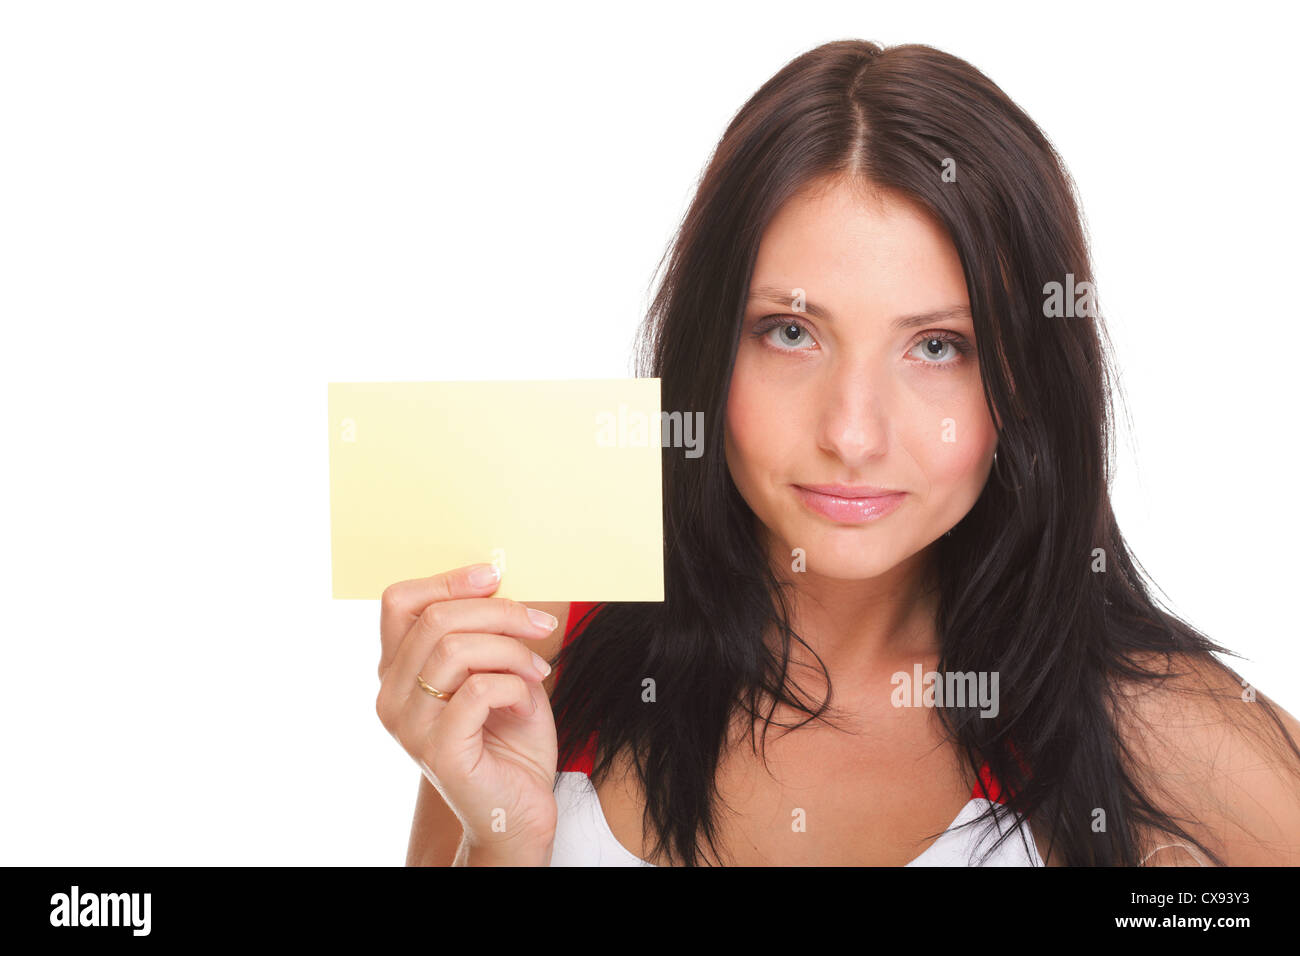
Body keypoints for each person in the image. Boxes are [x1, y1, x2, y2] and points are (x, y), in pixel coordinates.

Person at [376, 39, 1300, 866]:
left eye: (938, 347)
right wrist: (501, 842)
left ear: (1026, 383)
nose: (852, 434)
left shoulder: (1145, 723)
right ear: (707, 346)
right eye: (789, 332)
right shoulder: (545, 638)